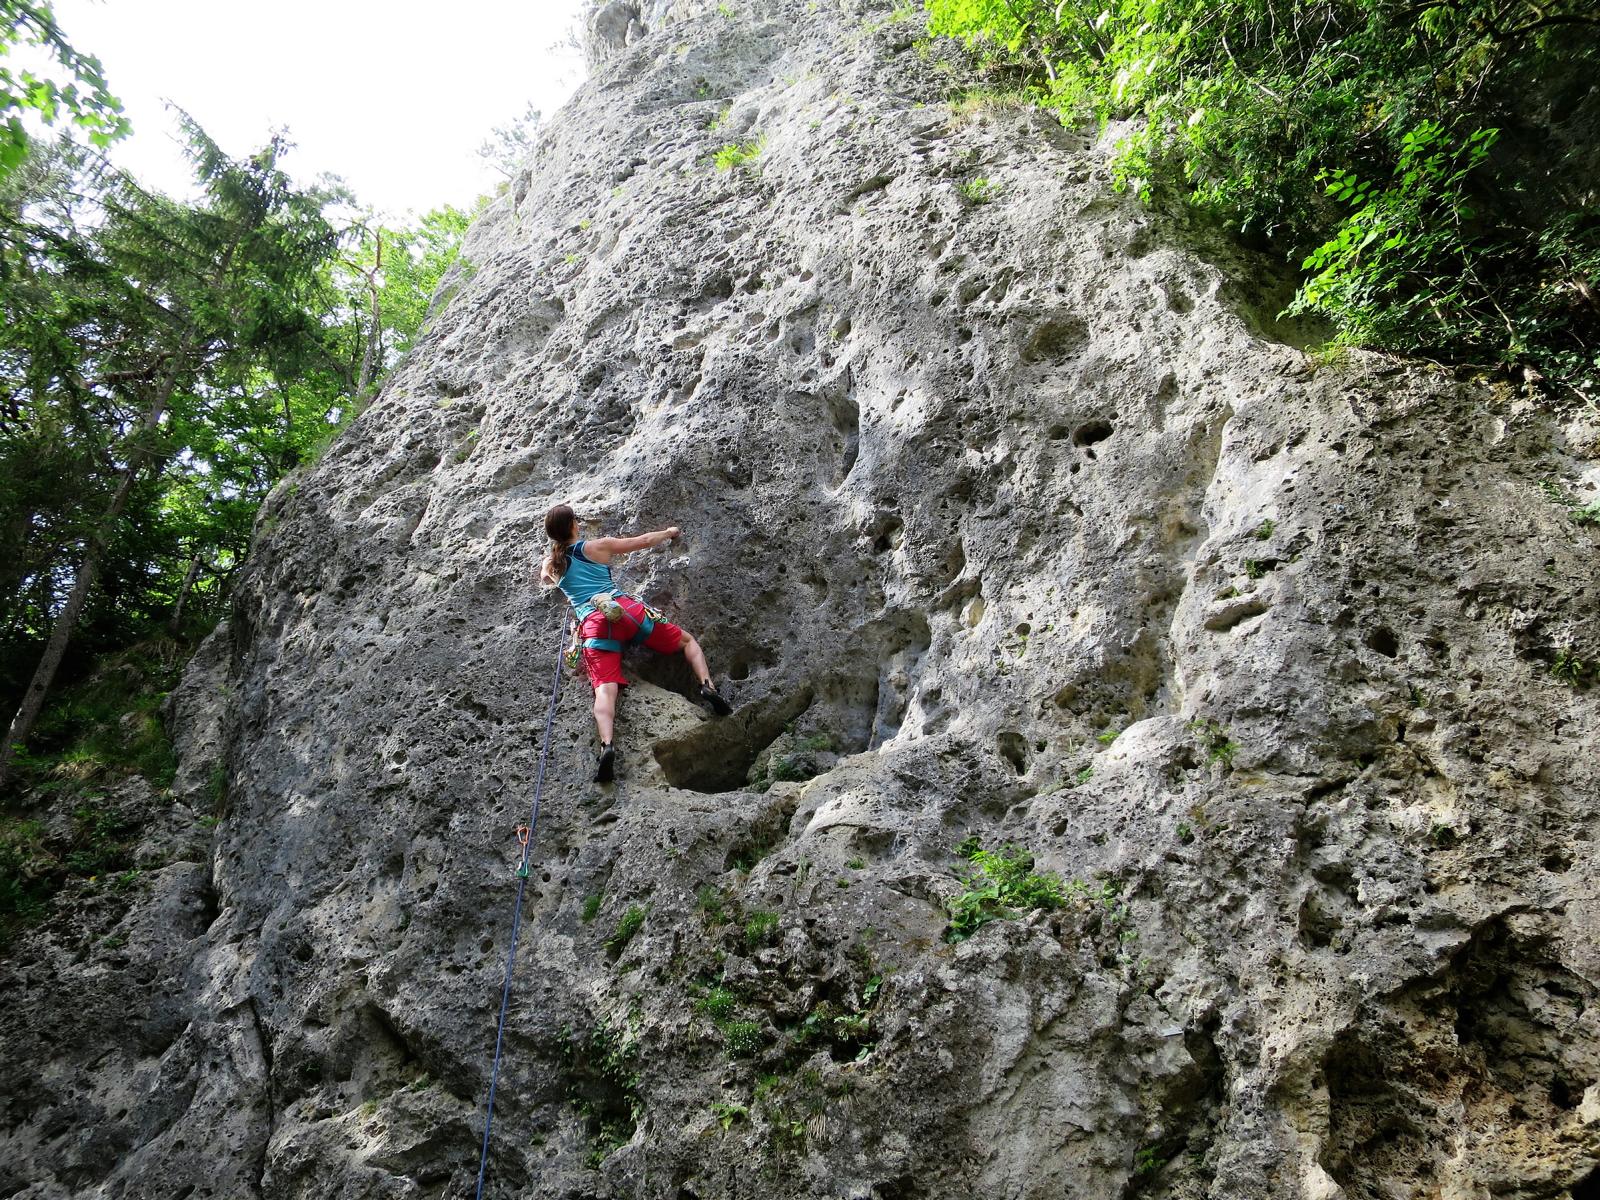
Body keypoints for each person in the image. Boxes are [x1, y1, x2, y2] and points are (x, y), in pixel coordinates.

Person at [540, 503, 733, 782]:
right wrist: (669, 532)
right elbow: (641, 542)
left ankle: (607, 745)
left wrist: (556, 572)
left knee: (604, 690)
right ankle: (707, 686)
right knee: (688, 642)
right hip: (626, 611)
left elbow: (546, 580)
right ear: (573, 526)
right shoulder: (596, 547)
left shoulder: (551, 564)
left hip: (593, 627)